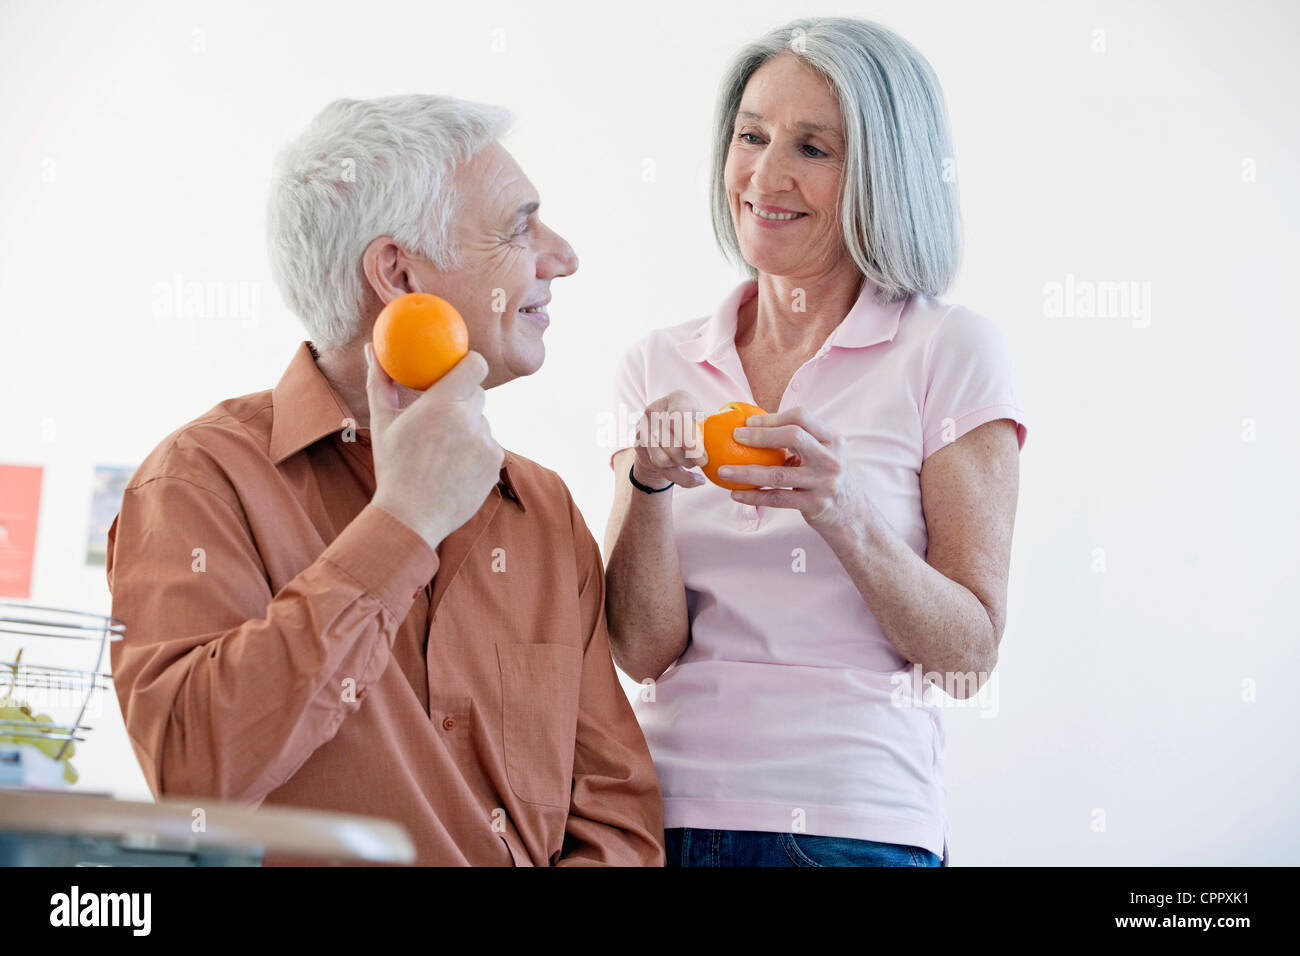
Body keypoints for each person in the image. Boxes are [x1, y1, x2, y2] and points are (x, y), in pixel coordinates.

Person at [107, 94, 664, 866]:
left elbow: (618, 824)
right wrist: (402, 523)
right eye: (517, 227)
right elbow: (192, 771)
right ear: (399, 274)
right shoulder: (198, 484)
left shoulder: (543, 512)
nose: (562, 254)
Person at [604, 17, 1028, 867]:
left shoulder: (948, 351)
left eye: (814, 149)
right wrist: (648, 487)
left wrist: (842, 510)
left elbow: (966, 660)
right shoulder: (659, 363)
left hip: (853, 825)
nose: (766, 175)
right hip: (663, 816)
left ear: (885, 174)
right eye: (751, 136)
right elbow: (643, 651)